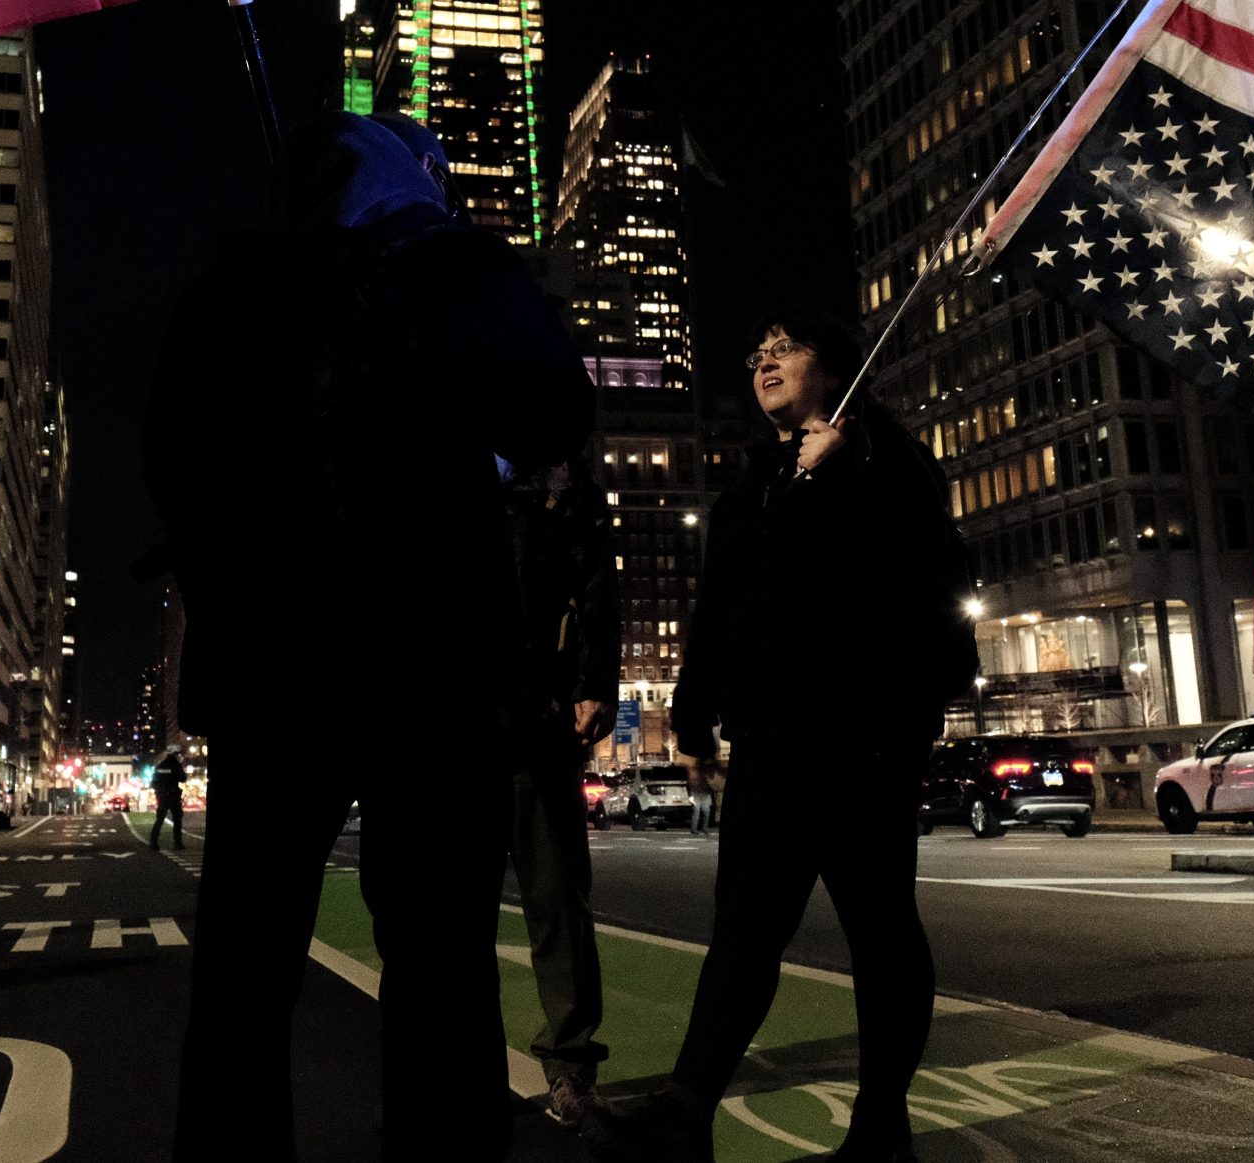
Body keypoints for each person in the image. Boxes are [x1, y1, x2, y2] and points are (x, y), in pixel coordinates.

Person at [149, 112, 592, 1161]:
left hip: (271, 665)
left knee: (245, 963)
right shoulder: (451, 271)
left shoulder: (230, 293)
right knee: (439, 958)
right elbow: (554, 414)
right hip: (431, 658)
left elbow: (173, 467)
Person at [594, 310, 972, 1163]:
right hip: (772, 744)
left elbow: (925, 572)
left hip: (866, 740)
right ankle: (684, 1116)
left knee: (880, 928)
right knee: (743, 936)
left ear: (836, 369)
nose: (764, 359)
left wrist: (844, 475)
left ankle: (882, 1124)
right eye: (757, 350)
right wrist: (691, 714)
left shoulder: (893, 464)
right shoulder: (751, 486)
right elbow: (716, 615)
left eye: (786, 348)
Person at [504, 450, 619, 1126]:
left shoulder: (559, 474)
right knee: (437, 914)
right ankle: (434, 1069)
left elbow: (596, 581)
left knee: (558, 902)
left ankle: (571, 1065)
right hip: (445, 717)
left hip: (538, 716)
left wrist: (595, 679)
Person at [150, 748, 190, 851]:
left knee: (159, 820)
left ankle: (153, 842)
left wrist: (159, 792)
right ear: (174, 756)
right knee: (177, 820)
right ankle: (177, 842)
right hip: (173, 796)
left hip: (162, 796)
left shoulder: (160, 766)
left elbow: (153, 783)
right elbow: (183, 778)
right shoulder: (176, 766)